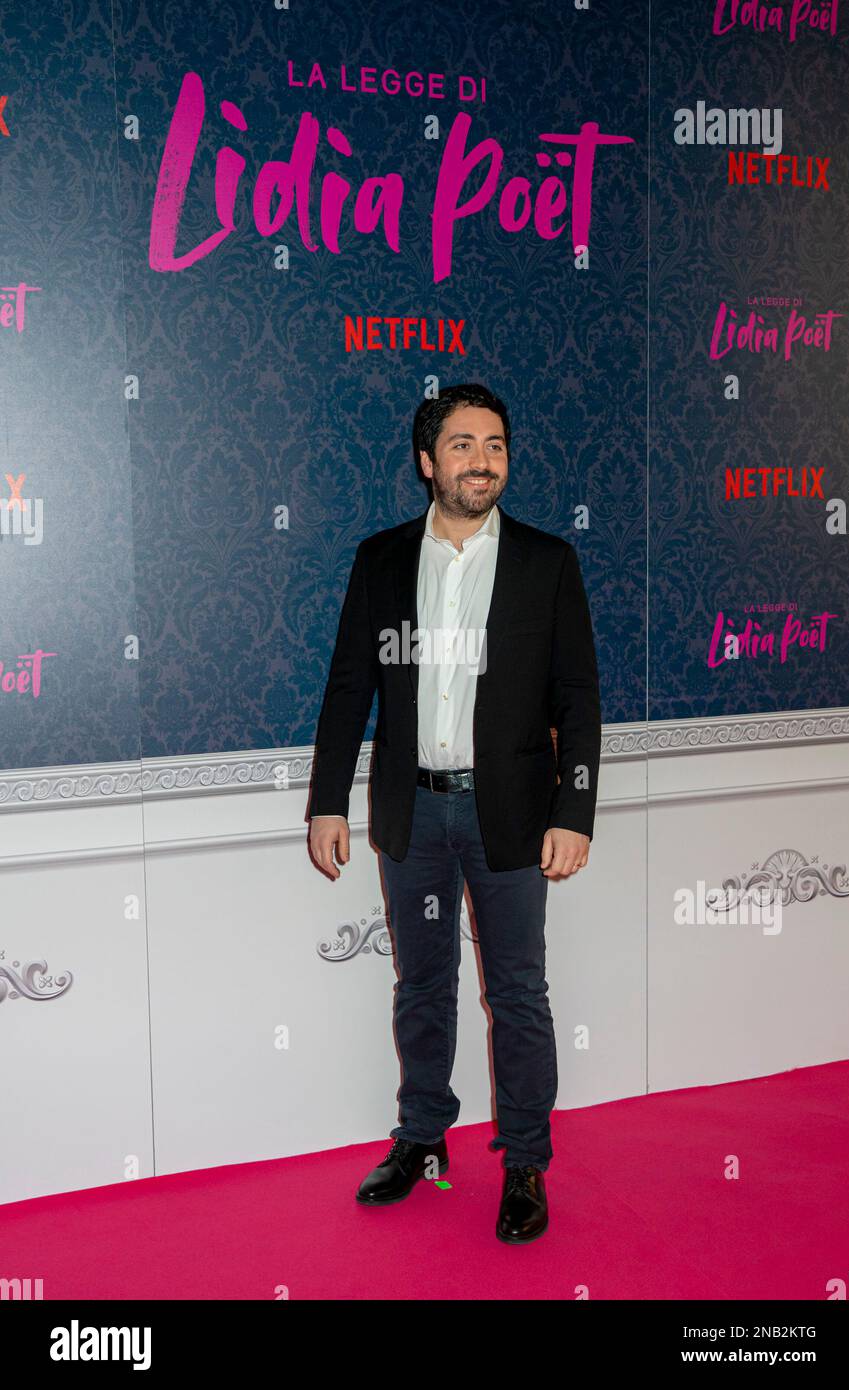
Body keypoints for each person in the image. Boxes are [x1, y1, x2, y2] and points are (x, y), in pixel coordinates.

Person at [308, 383, 601, 1243]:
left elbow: (579, 697)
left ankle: (526, 1162)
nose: (483, 461)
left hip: (511, 815)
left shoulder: (547, 562)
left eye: (496, 445)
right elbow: (349, 688)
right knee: (422, 984)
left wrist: (575, 811)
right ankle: (422, 1139)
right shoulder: (382, 560)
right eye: (464, 445)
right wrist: (327, 801)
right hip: (414, 813)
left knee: (518, 994)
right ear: (427, 462)